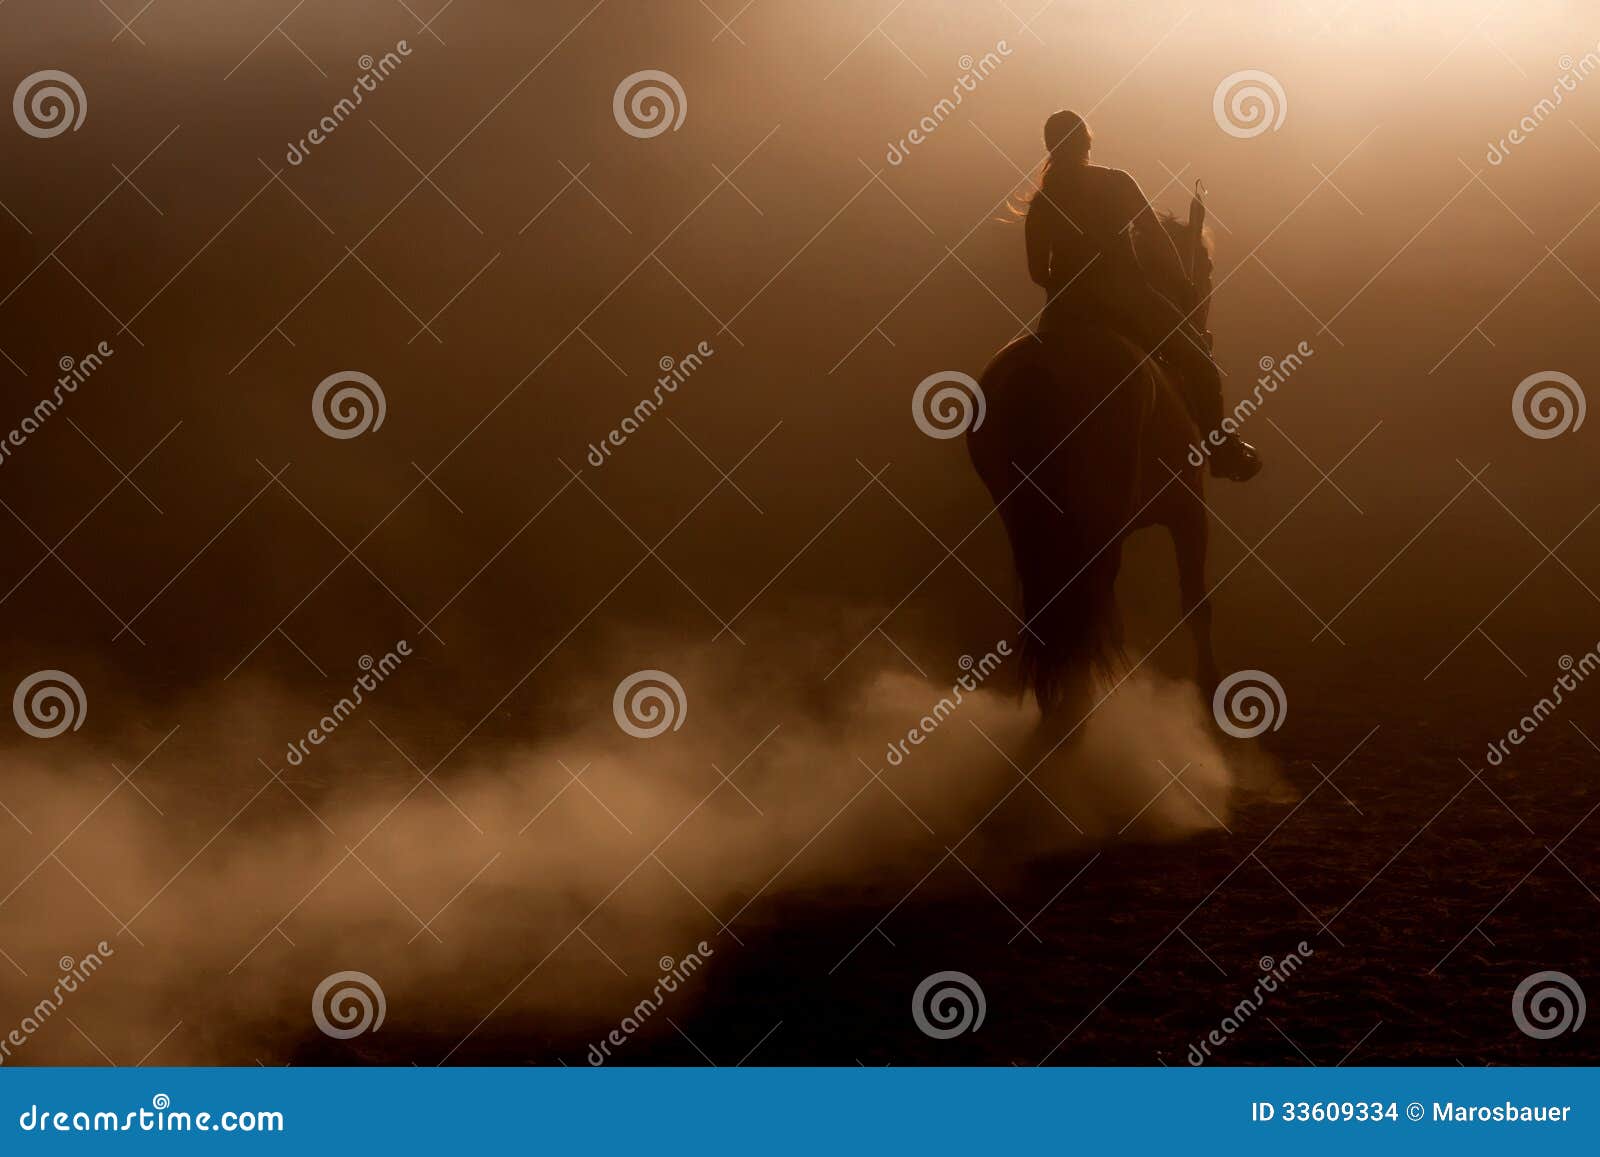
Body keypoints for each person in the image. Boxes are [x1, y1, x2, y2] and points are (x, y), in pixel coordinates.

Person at [1024, 110, 1260, 481]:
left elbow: (1039, 274)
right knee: (1198, 357)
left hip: (1065, 312)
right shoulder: (1117, 182)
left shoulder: (1042, 202)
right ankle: (1222, 451)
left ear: (1051, 146)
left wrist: (1070, 285)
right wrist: (1183, 282)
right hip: (1129, 299)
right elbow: (1156, 234)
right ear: (1087, 143)